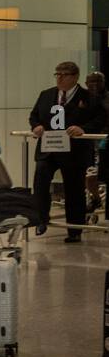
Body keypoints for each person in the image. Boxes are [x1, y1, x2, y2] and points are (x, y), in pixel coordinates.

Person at [29, 60, 106, 242]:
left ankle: (74, 229)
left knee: (74, 189)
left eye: (64, 75)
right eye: (57, 74)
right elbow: (34, 116)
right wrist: (37, 126)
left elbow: (101, 119)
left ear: (75, 77)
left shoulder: (89, 98)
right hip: (49, 149)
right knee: (40, 179)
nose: (60, 78)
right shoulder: (46, 95)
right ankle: (41, 219)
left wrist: (83, 129)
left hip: (74, 152)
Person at [85, 72, 107, 213]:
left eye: (98, 81)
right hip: (87, 144)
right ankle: (96, 199)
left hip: (104, 143)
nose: (94, 84)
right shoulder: (82, 99)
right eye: (91, 81)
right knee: (89, 175)